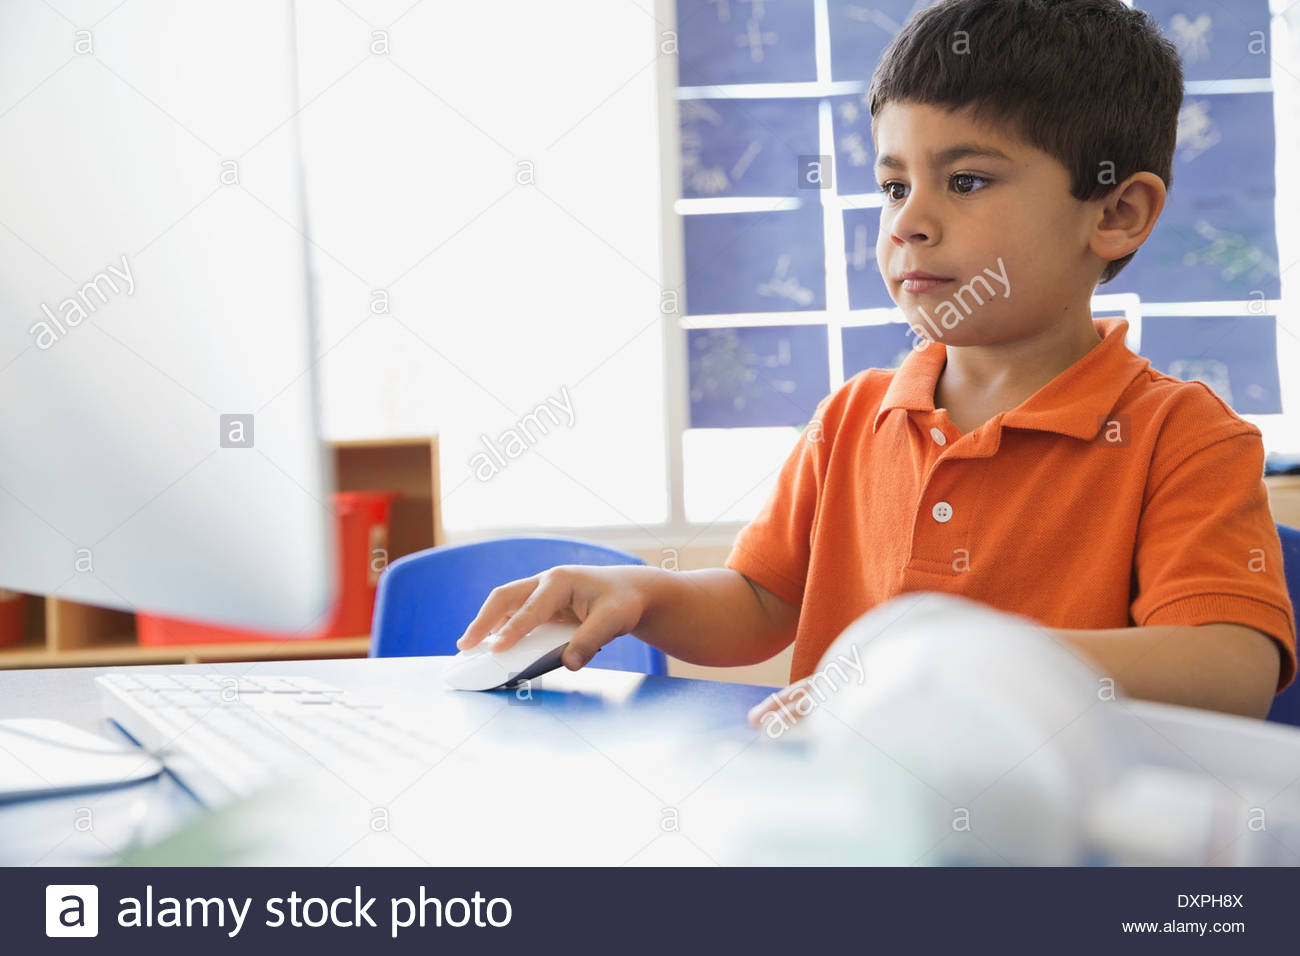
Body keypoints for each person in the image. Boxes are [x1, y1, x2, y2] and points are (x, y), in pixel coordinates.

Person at [457, 0, 1296, 721]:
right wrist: (642, 594)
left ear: (1116, 213)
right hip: (847, 827)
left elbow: (1229, 666)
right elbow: (758, 603)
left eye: (964, 182)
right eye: (895, 186)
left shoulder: (1184, 437)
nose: (908, 223)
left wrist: (957, 662)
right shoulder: (854, 418)